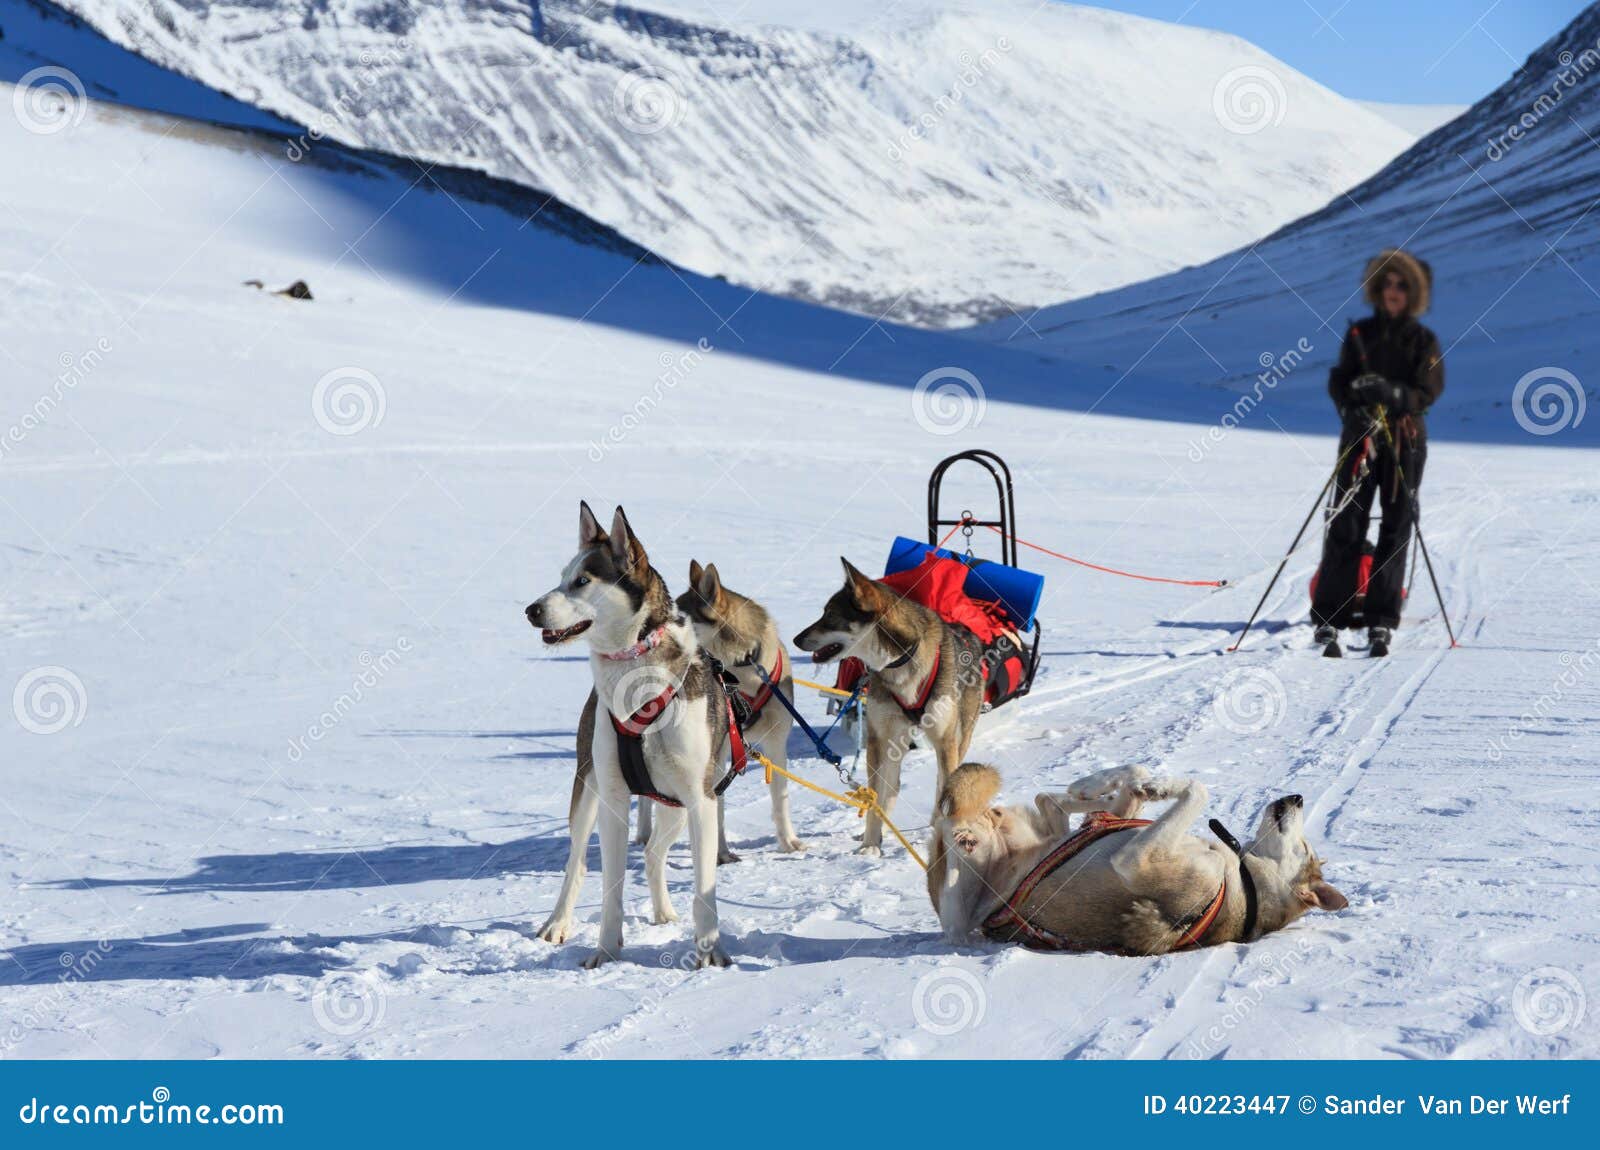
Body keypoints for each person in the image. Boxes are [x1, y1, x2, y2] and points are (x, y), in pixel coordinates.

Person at [1311, 249, 1444, 658]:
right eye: (1387, 282)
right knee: (1345, 521)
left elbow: (1428, 391)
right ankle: (1330, 615)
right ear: (1376, 288)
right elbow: (1340, 380)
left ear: (1414, 292)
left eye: (1402, 284)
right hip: (1359, 436)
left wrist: (1394, 394)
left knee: (1396, 524)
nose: (1393, 290)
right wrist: (1353, 401)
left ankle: (1382, 618)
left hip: (1405, 440)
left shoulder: (1424, 341)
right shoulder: (1359, 335)